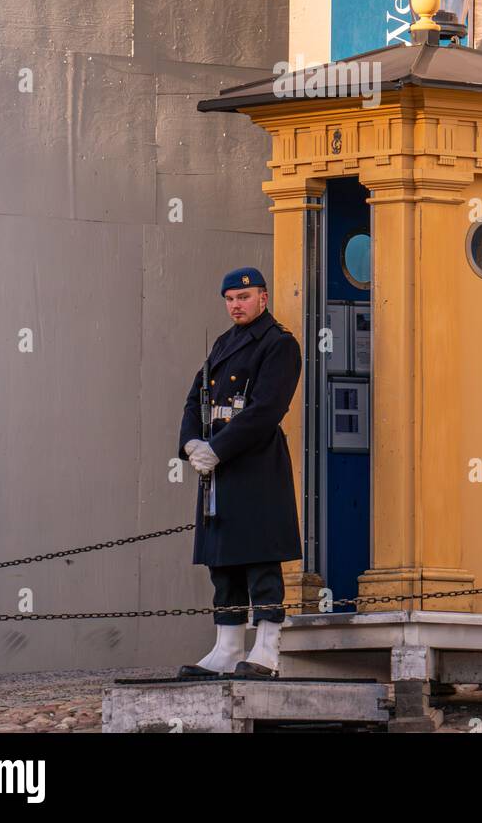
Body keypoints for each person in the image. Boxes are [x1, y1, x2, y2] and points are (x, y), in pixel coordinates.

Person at [176, 267, 302, 679]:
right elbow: (196, 397)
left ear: (263, 298)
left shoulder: (279, 344)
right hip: (220, 471)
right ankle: (227, 648)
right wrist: (192, 442)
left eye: (244, 297)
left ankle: (267, 650)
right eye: (230, 298)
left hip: (256, 467)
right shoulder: (224, 343)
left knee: (260, 559)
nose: (236, 305)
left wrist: (219, 447)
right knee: (224, 563)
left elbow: (266, 409)